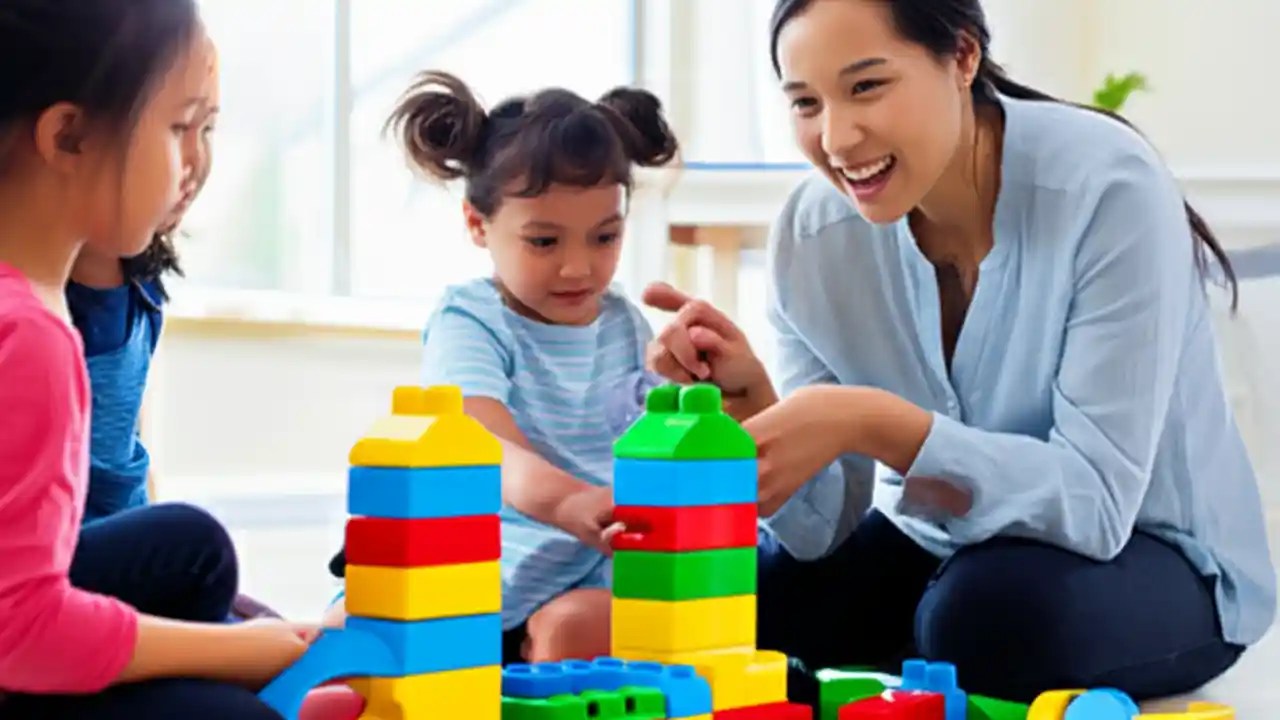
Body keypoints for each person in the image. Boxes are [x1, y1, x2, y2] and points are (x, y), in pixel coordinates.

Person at [643, 0, 1275, 704]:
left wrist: (869, 422)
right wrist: (756, 405)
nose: (836, 138)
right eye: (805, 103)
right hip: (943, 546)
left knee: (982, 617)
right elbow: (823, 531)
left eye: (866, 86)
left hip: (1152, 550)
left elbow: (1097, 505)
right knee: (752, 605)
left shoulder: (1106, 185)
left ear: (964, 57)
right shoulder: (814, 236)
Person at [0, 2, 319, 716]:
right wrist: (239, 653)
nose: (192, 163)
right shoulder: (30, 335)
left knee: (190, 543)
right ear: (69, 135)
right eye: (179, 127)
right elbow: (16, 630)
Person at [323, 70, 678, 664]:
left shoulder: (625, 324)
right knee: (346, 636)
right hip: (474, 559)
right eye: (544, 242)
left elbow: (649, 440)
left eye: (604, 237)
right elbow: (483, 443)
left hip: (589, 568)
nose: (578, 268)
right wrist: (567, 502)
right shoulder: (472, 318)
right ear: (477, 224)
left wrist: (690, 386)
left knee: (578, 629)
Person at [67, 36, 219, 525]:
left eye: (208, 129)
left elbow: (130, 450)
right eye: (179, 128)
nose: (196, 160)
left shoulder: (141, 288)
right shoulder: (36, 308)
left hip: (127, 536)